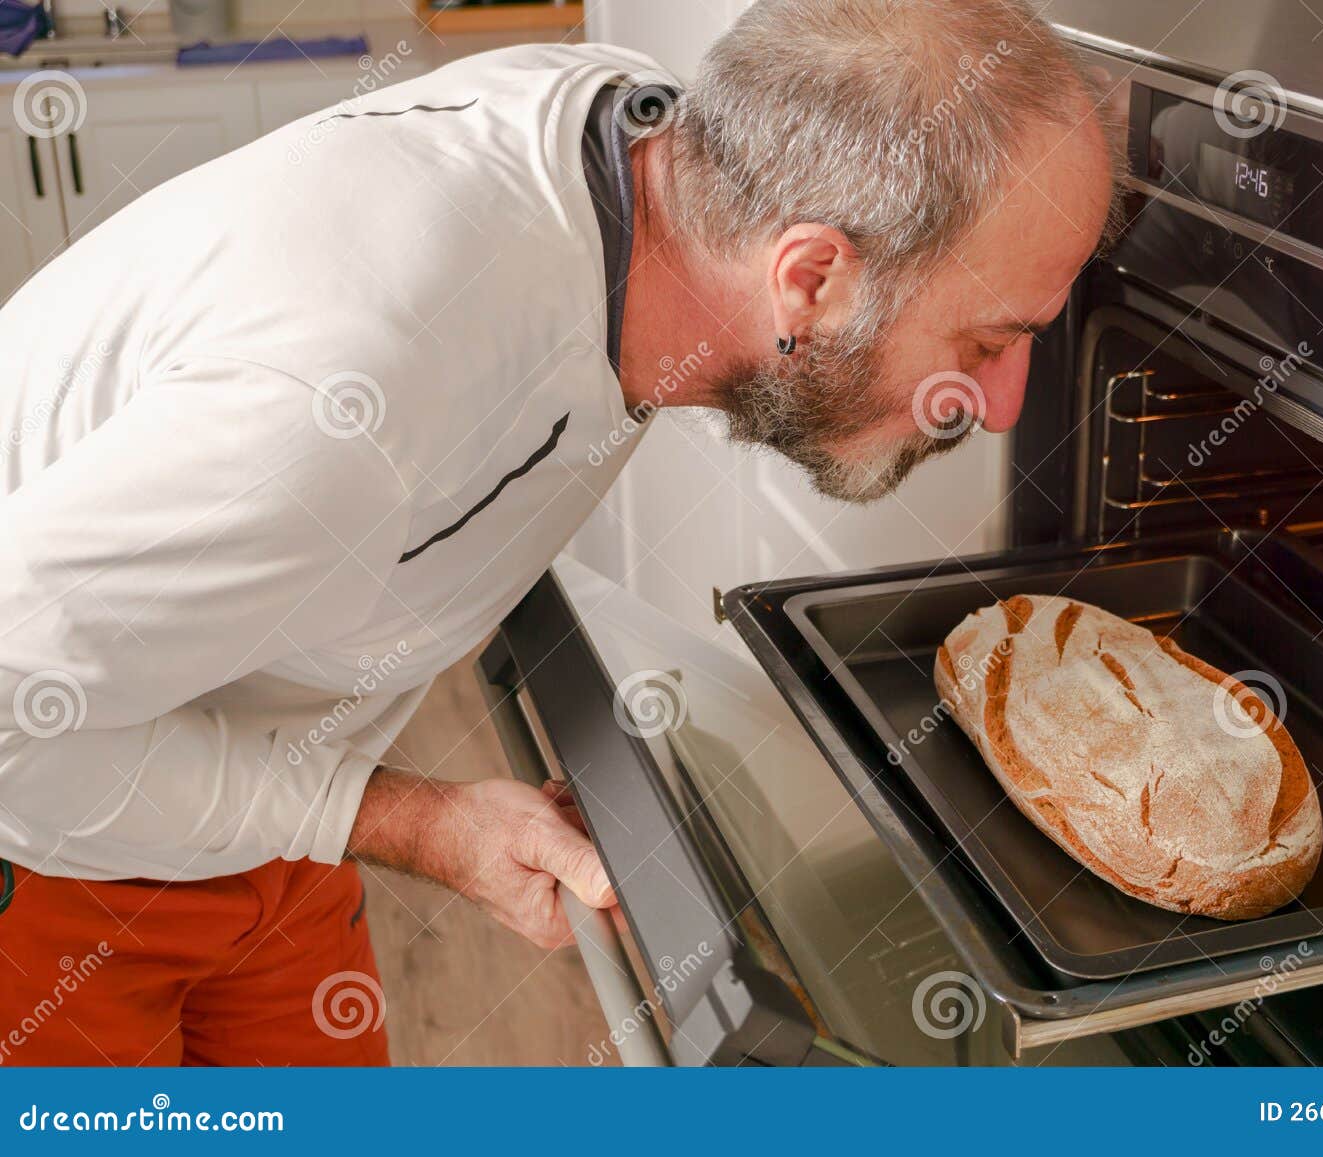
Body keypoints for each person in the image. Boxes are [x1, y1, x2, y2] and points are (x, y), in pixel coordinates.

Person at [0, 0, 1115, 1065]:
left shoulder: (658, 144)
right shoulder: (351, 404)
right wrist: (410, 820)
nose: (1007, 402)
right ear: (811, 276)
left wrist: (330, 807)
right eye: (986, 342)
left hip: (259, 792)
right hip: (49, 849)